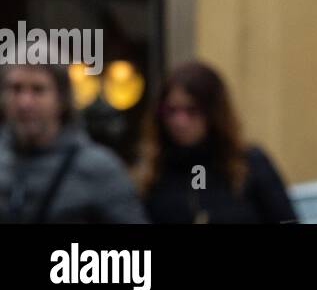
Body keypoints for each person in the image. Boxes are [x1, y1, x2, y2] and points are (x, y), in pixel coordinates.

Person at [138, 61, 297, 224]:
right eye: (171, 111)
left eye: (192, 111)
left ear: (213, 113)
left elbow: (286, 219)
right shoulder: (154, 176)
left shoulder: (249, 165)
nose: (180, 122)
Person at [0, 63, 147, 223]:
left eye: (38, 90)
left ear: (62, 99)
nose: (24, 103)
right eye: (15, 89)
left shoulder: (98, 168)